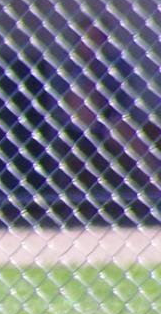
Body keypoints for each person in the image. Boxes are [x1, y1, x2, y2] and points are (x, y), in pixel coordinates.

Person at [62, 21, 161, 191]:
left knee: (119, 127)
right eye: (85, 39)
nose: (90, 44)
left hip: (112, 119)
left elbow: (126, 103)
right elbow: (71, 109)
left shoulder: (116, 65)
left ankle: (155, 181)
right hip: (81, 124)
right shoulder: (70, 68)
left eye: (95, 38)